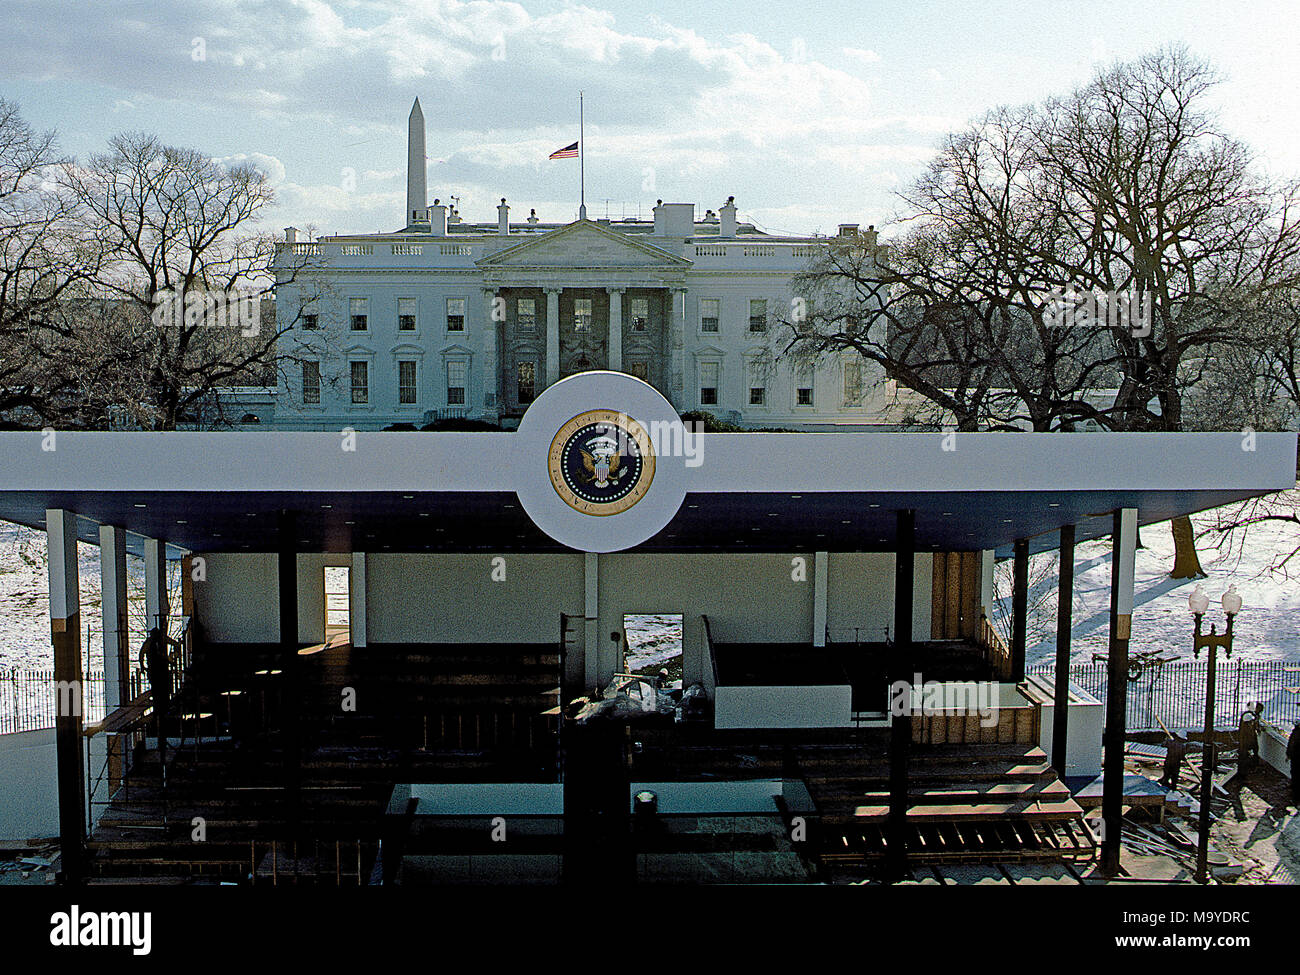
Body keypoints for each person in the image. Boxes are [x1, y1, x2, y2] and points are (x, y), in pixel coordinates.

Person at [1237, 702, 1263, 773]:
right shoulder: (1248, 718)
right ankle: (1245, 771)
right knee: (1244, 756)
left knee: (1251, 753)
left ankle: (1251, 768)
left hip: (1250, 740)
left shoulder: (1252, 717)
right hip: (1246, 741)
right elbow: (1247, 734)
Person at [1288, 720, 1300, 803]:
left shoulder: (1296, 733)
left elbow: (1291, 744)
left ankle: (1296, 796)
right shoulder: (1296, 733)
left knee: (1295, 775)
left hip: (1296, 757)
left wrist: (1289, 753)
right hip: (1295, 756)